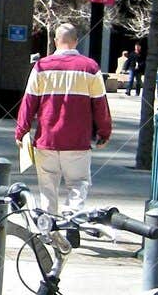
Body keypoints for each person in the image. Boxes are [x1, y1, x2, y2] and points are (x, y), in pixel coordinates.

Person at [15, 21, 112, 216]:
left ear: (55, 40)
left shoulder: (42, 67)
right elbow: (100, 105)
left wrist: (21, 131)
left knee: (47, 188)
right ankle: (71, 218)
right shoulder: (90, 67)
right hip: (78, 141)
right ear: (76, 41)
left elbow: (29, 102)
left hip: (46, 139)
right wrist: (104, 132)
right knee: (78, 184)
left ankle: (47, 229)